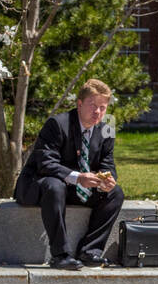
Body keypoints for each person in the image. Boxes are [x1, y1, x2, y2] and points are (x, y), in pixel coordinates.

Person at [20, 79, 125, 270]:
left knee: (115, 193)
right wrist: (78, 177)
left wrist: (107, 180)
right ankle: (60, 255)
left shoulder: (106, 130)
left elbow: (107, 163)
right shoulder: (58, 124)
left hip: (76, 188)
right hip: (41, 186)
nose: (98, 113)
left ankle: (90, 251)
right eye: (93, 106)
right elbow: (46, 164)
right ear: (79, 104)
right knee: (55, 185)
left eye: (103, 108)